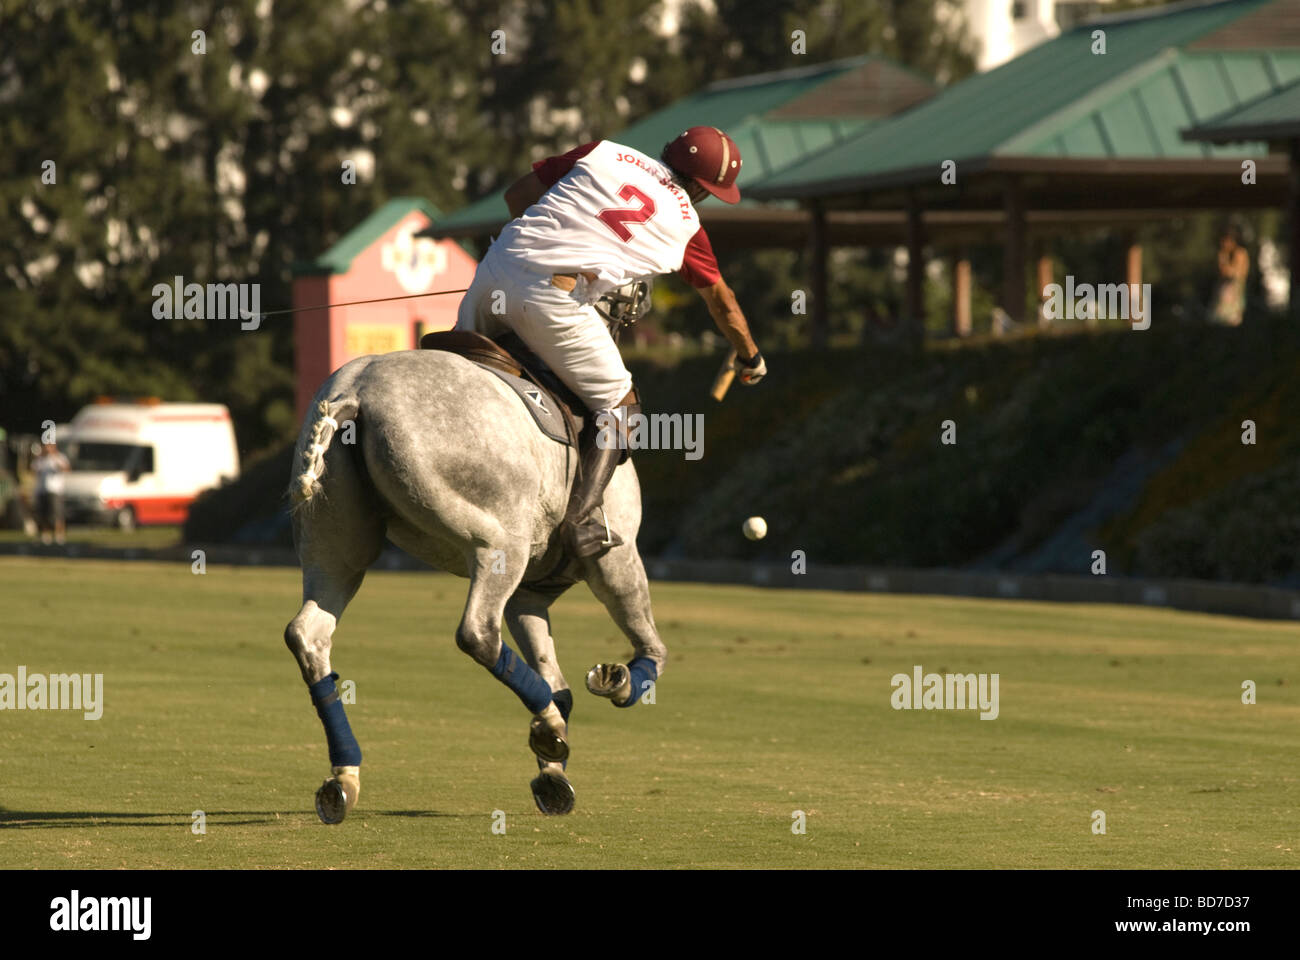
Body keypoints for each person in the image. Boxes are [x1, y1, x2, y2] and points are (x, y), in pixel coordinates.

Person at [456, 126, 766, 557]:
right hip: (552, 298)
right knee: (622, 405)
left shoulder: (603, 153)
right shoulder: (686, 225)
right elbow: (722, 302)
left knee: (458, 370)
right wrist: (749, 354)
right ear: (698, 187)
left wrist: (532, 255)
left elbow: (516, 197)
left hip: (493, 268)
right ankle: (579, 522)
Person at [1210, 222, 1250, 326]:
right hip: (1225, 293)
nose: (1224, 244)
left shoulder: (1241, 253)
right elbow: (1222, 272)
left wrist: (1224, 260)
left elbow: (1234, 273)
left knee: (1233, 319)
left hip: (1234, 292)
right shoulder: (1224, 254)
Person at [32, 440, 70, 545]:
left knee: (57, 514)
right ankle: (46, 535)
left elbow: (66, 469)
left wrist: (54, 457)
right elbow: (34, 470)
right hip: (42, 490)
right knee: (44, 514)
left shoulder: (59, 457)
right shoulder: (41, 459)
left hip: (55, 490)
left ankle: (59, 535)